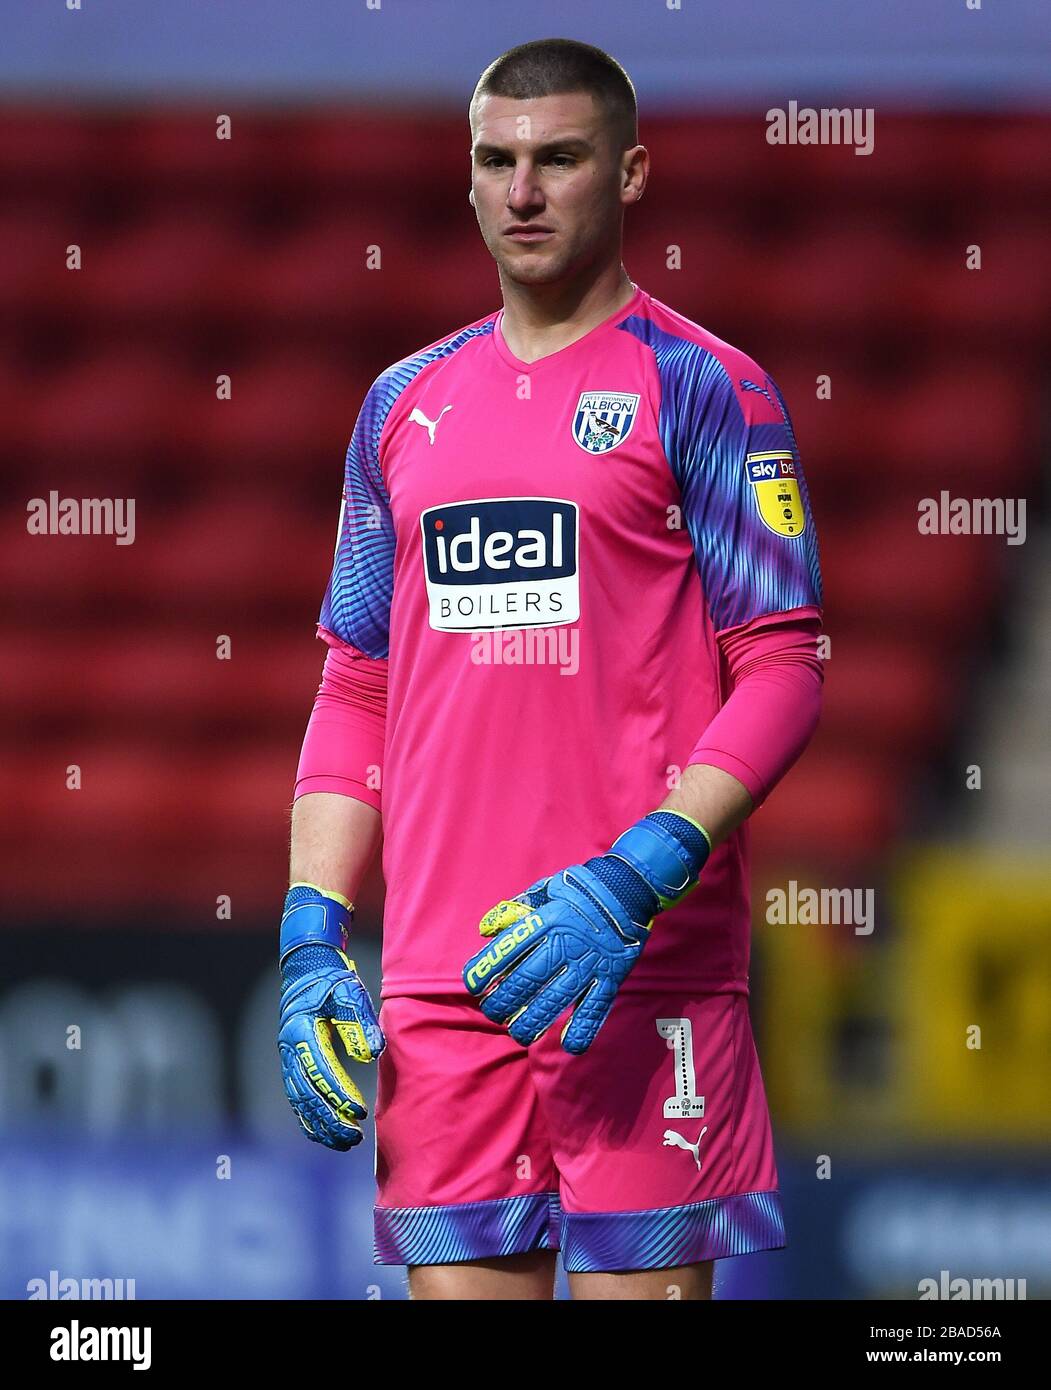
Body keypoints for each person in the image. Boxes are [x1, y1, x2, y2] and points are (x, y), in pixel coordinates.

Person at [278, 37, 824, 1302]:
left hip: (642, 969)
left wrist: (636, 880)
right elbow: (356, 686)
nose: (522, 192)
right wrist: (312, 938)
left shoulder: (704, 389)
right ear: (467, 179)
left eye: (559, 159)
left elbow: (786, 669)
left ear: (630, 173)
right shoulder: (401, 406)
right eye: (496, 161)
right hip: (440, 988)